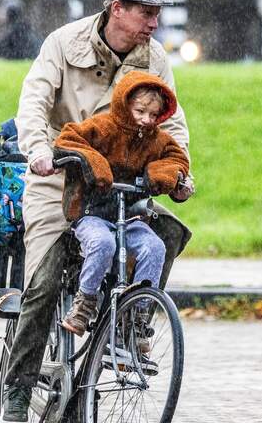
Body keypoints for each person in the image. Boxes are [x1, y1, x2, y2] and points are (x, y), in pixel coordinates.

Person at [0, 0, 195, 422]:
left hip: (120, 181)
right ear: (116, 8)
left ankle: (129, 323)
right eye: (146, 14)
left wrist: (180, 172)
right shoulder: (63, 43)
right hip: (60, 175)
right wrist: (38, 152)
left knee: (165, 233)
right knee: (44, 283)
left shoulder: (153, 58)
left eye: (158, 15)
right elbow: (33, 100)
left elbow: (173, 123)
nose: (154, 23)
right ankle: (19, 387)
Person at [54, 70, 189, 338]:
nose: (146, 120)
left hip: (129, 217)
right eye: (140, 111)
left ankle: (136, 319)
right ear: (124, 104)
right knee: (103, 244)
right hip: (92, 213)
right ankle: (85, 302)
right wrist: (94, 163)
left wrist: (163, 174)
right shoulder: (103, 127)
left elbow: (177, 159)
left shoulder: (156, 139)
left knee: (155, 247)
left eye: (153, 115)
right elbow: (68, 139)